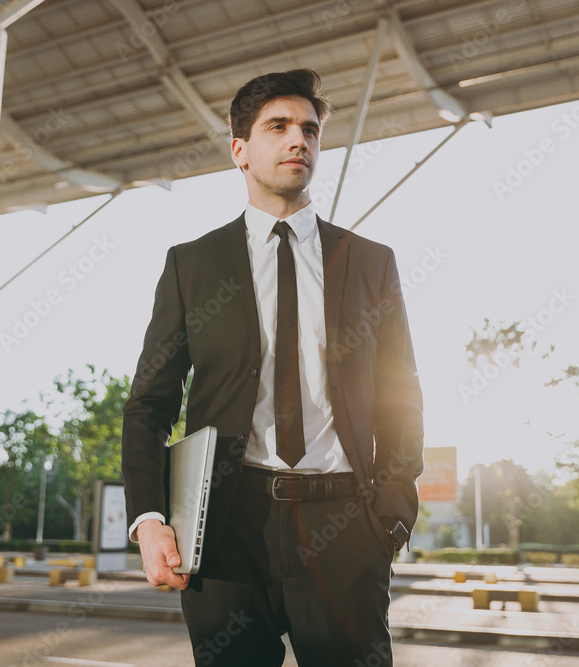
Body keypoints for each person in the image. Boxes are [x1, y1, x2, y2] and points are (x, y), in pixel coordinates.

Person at [122, 68, 423, 667]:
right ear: (240, 150)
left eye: (310, 130)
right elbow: (150, 403)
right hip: (226, 524)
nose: (299, 141)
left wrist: (388, 517)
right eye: (278, 127)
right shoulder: (192, 266)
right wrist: (150, 519)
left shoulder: (368, 263)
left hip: (344, 523)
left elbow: (402, 398)